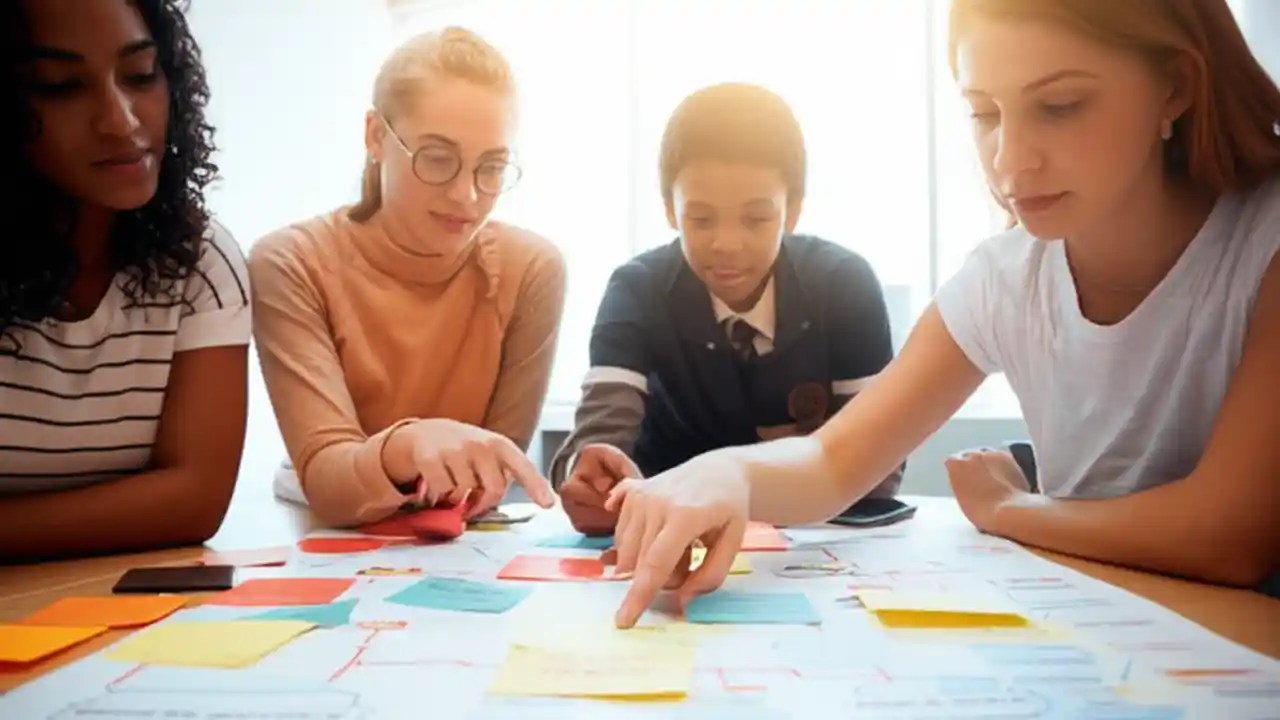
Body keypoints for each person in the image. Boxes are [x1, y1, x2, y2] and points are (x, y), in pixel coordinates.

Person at [606, 0, 1280, 627]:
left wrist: (1013, 510)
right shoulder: (1004, 278)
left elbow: (1227, 537)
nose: (1009, 159)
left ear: (1175, 87)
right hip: (1115, 632)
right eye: (984, 113)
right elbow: (833, 461)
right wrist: (727, 473)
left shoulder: (1262, 240)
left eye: (1060, 105)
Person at [550, 83, 901, 536]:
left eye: (756, 219)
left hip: (810, 539)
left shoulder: (843, 284)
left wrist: (742, 494)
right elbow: (599, 438)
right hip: (669, 535)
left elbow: (877, 468)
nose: (727, 244)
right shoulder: (636, 289)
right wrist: (591, 477)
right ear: (670, 210)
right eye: (701, 219)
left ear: (793, 212)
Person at [249, 27, 563, 528]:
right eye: (437, 159)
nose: (466, 195)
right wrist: (408, 444)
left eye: (491, 167)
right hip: (324, 537)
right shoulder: (290, 263)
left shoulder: (531, 270)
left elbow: (493, 475)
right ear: (376, 136)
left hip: (456, 542)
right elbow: (328, 483)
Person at [0, 0, 250, 561]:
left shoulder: (199, 262)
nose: (121, 120)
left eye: (140, 75)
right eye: (61, 86)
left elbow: (195, 501)